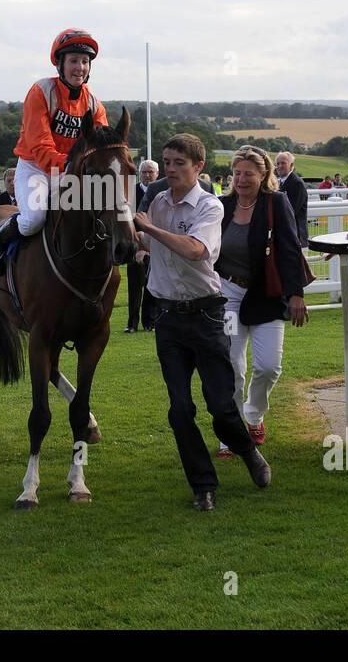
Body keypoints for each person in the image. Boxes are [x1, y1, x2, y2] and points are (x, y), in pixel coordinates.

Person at [132, 133, 270, 512]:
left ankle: (248, 452)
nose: (171, 169)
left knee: (221, 407)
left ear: (199, 168)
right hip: (168, 318)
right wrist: (130, 231)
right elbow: (141, 244)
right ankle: (203, 486)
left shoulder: (210, 207)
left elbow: (196, 251)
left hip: (208, 316)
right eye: (167, 162)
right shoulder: (156, 203)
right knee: (180, 410)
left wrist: (150, 229)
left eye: (179, 163)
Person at [0, 28, 108, 273]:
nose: (80, 68)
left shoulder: (93, 103)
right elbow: (40, 145)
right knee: (33, 221)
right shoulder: (40, 91)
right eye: (74, 61)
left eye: (85, 62)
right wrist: (71, 166)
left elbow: (101, 145)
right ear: (60, 64)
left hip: (69, 171)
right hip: (34, 168)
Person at [215, 147, 308, 455]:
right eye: (237, 173)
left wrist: (296, 293)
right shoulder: (222, 205)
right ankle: (231, 434)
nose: (241, 179)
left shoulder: (275, 203)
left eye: (248, 174)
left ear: (264, 175)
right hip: (227, 295)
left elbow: (290, 249)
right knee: (231, 364)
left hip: (266, 295)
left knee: (269, 366)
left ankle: (254, 414)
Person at [124, 159, 160, 333]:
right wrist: (140, 247)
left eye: (150, 172)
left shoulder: (162, 192)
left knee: (151, 287)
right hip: (136, 246)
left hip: (156, 246)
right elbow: (128, 221)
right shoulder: (130, 192)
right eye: (144, 172)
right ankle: (131, 323)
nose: (147, 175)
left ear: (157, 174)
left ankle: (149, 322)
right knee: (134, 286)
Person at [274, 152, 309, 246]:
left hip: (296, 235)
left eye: (283, 163)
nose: (280, 166)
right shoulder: (279, 182)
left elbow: (291, 210)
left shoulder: (297, 183)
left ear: (291, 165)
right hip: (285, 234)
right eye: (278, 163)